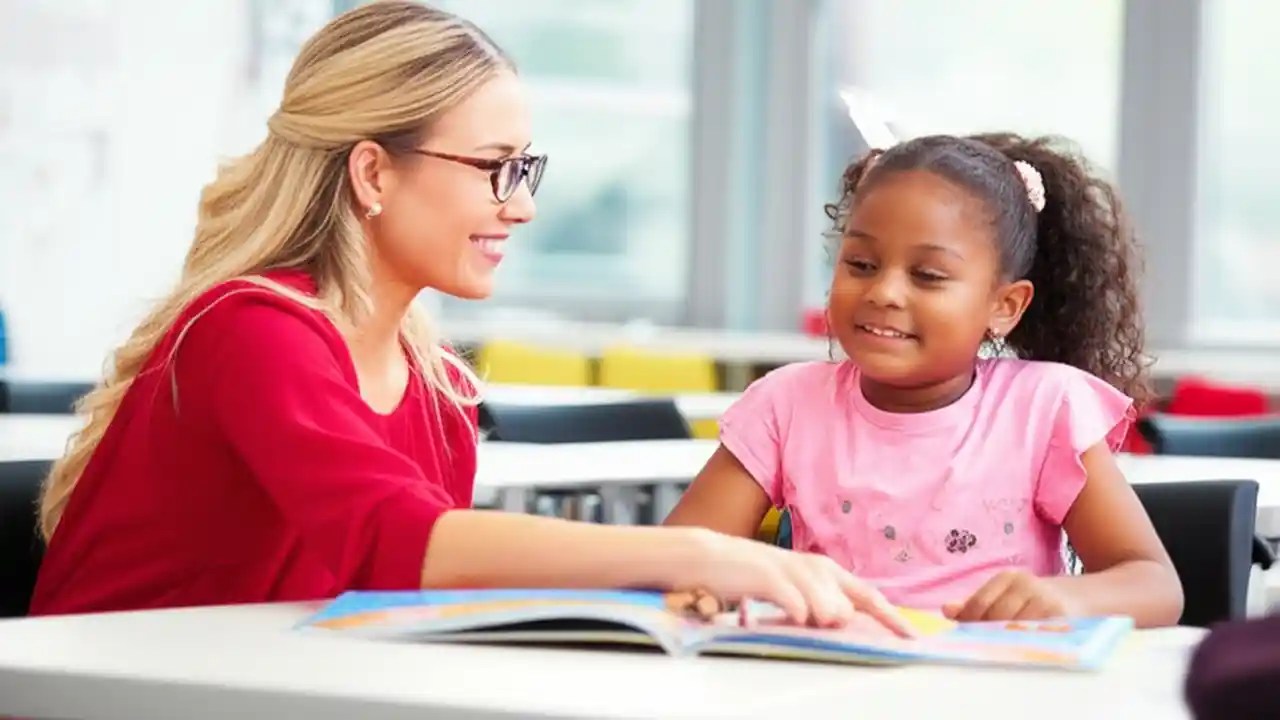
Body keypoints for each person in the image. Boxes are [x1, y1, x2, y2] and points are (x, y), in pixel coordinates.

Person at [29, 1, 909, 636]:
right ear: (373, 174)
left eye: (525, 170)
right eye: (494, 167)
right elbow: (391, 545)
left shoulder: (432, 382)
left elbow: (403, 600)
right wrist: (694, 554)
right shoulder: (250, 329)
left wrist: (665, 591)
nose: (519, 209)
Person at [665, 133, 1184, 628]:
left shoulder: (1045, 409)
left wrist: (1067, 597)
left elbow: (1155, 585)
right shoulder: (786, 403)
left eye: (928, 275)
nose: (884, 292)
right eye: (861, 264)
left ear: (1004, 306)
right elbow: (674, 559)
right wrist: (708, 588)